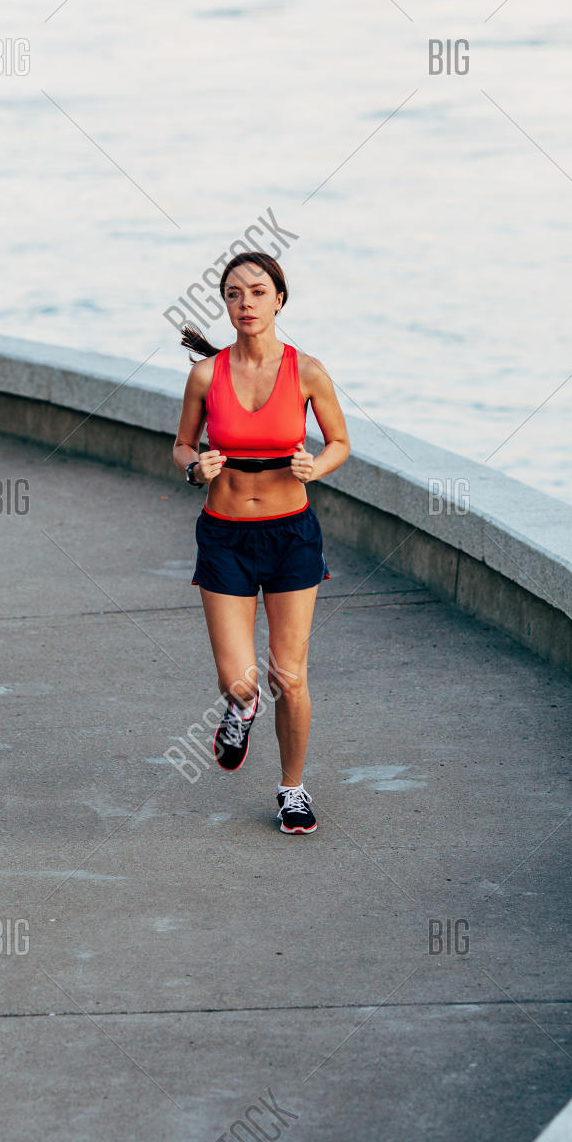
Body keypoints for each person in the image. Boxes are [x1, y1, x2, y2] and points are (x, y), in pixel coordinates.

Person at [172, 252, 350, 833]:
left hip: (291, 535)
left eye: (256, 291)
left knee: (290, 677)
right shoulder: (206, 374)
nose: (245, 303)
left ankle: (291, 789)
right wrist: (196, 467)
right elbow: (180, 446)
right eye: (232, 294)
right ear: (224, 305)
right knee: (241, 681)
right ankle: (240, 710)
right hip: (224, 536)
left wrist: (314, 467)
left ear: (280, 300)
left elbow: (340, 442)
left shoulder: (308, 372)